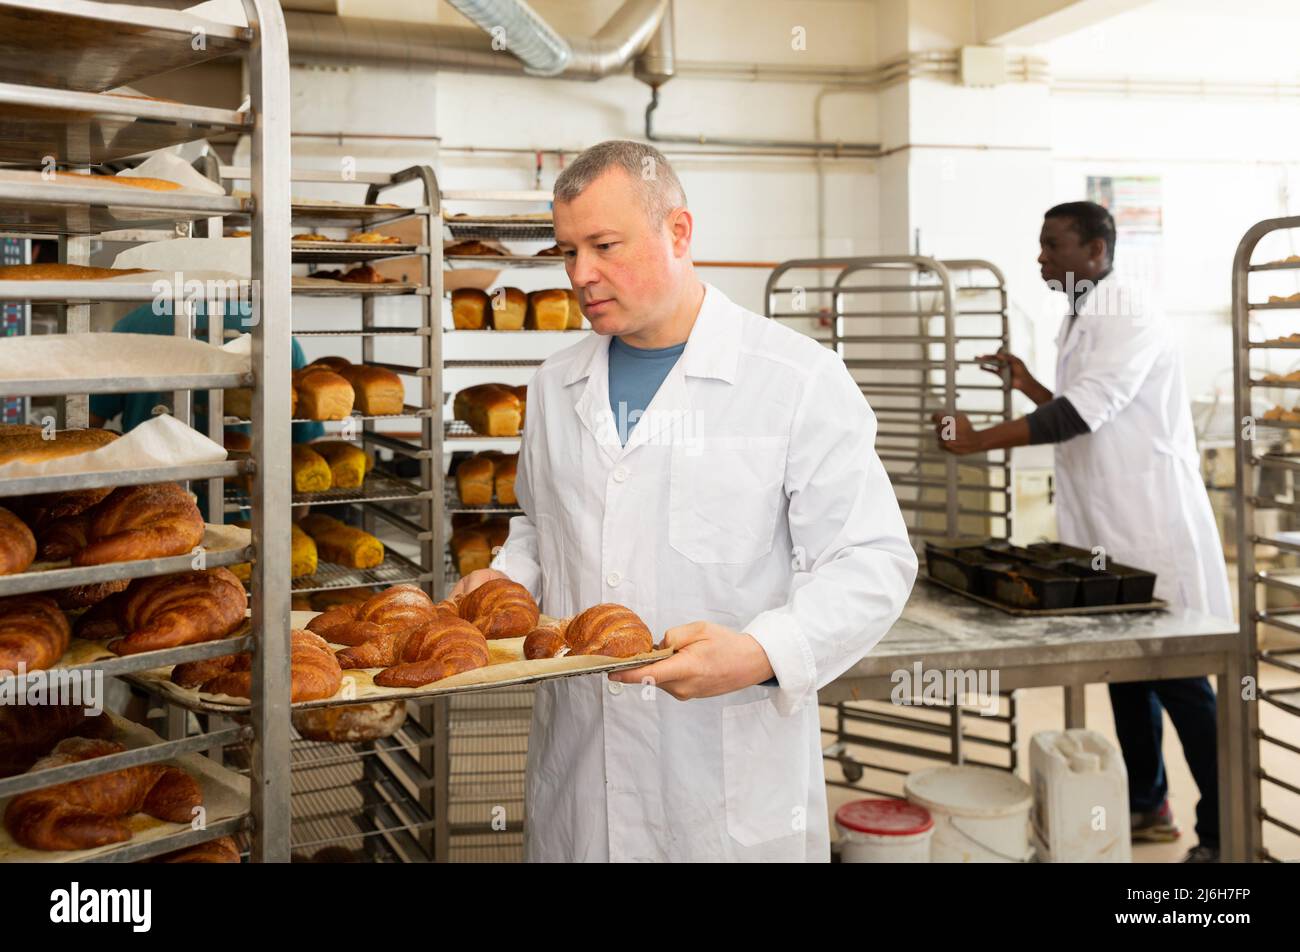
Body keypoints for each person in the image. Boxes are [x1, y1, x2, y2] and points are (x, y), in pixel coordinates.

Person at [451, 140, 917, 862]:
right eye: (567, 251)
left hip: (722, 785)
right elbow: (540, 527)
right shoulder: (553, 384)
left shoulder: (795, 381)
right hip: (582, 772)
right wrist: (510, 581)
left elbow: (872, 561)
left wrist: (761, 653)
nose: (581, 274)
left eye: (604, 245)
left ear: (679, 232)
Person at [932, 201, 1231, 863]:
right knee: (1126, 673)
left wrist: (976, 441)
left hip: (1151, 522)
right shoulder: (1084, 311)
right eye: (1040, 245)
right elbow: (1082, 406)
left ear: (1096, 249)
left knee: (1181, 680)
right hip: (1108, 525)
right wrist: (1028, 381)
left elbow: (1080, 415)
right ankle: (1148, 804)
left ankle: (1225, 830)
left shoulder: (1131, 312)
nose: (1041, 257)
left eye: (1053, 245)